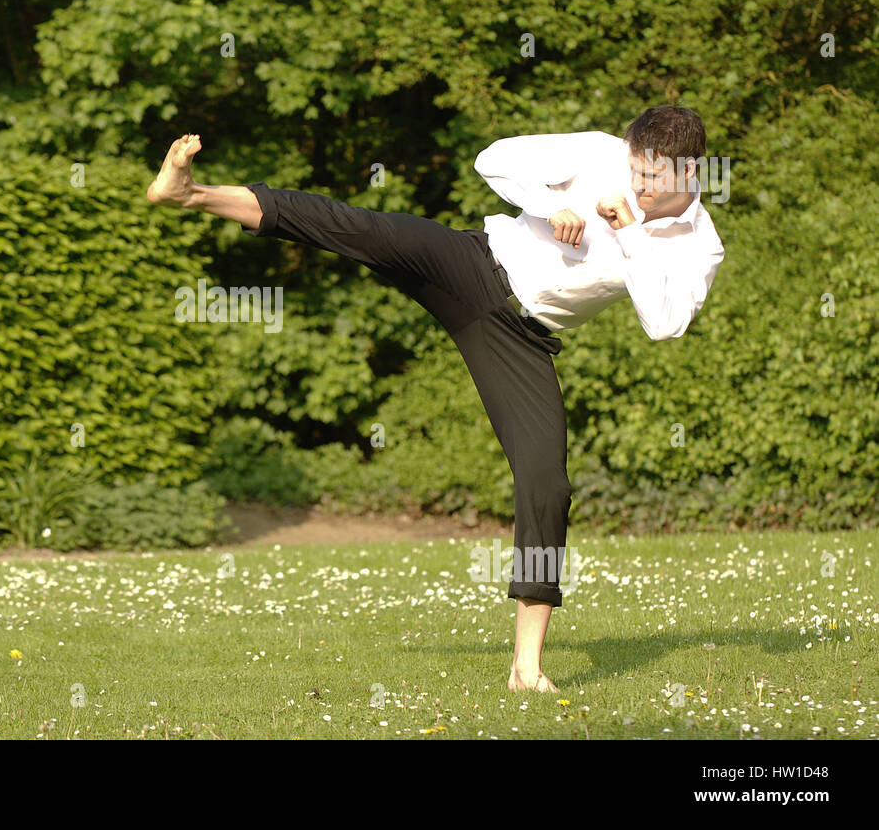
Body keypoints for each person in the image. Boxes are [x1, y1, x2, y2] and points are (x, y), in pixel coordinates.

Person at [146, 105, 725, 692]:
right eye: (635, 171)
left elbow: (665, 322)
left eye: (653, 178)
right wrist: (553, 207)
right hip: (472, 266)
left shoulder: (700, 245)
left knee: (546, 483)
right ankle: (191, 195)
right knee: (359, 227)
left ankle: (527, 668)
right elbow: (494, 159)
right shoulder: (602, 154)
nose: (638, 186)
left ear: (690, 171)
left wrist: (628, 231)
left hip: (520, 338)